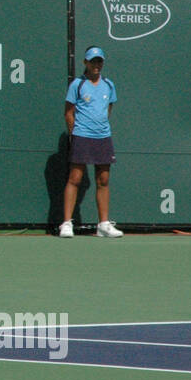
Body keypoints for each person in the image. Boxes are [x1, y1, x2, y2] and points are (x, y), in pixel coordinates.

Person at [60, 47, 122, 238]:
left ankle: (103, 225)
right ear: (85, 63)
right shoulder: (77, 85)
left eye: (99, 61)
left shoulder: (109, 85)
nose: (96, 65)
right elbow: (68, 113)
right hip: (82, 136)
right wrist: (75, 134)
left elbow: (107, 109)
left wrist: (99, 128)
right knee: (75, 178)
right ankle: (67, 223)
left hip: (103, 137)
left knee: (103, 180)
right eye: (93, 61)